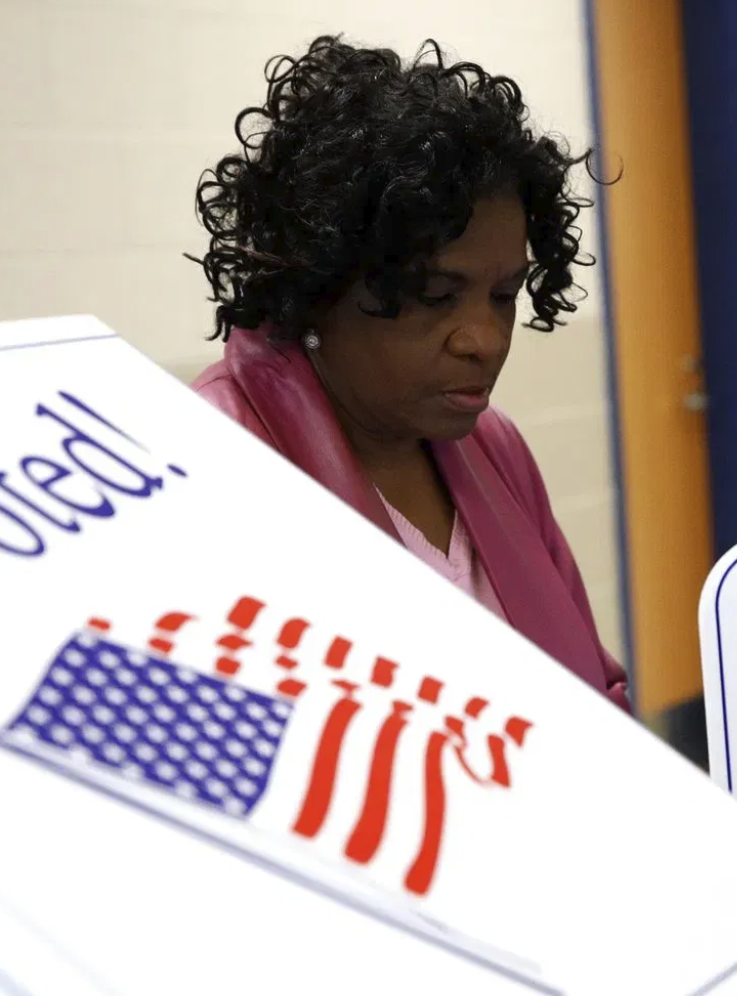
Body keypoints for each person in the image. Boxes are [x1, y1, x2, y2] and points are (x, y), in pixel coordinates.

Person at [187, 36, 629, 711]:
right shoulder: (214, 465)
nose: (484, 340)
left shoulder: (495, 447)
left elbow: (596, 692)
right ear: (321, 280)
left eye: (505, 295)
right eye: (434, 295)